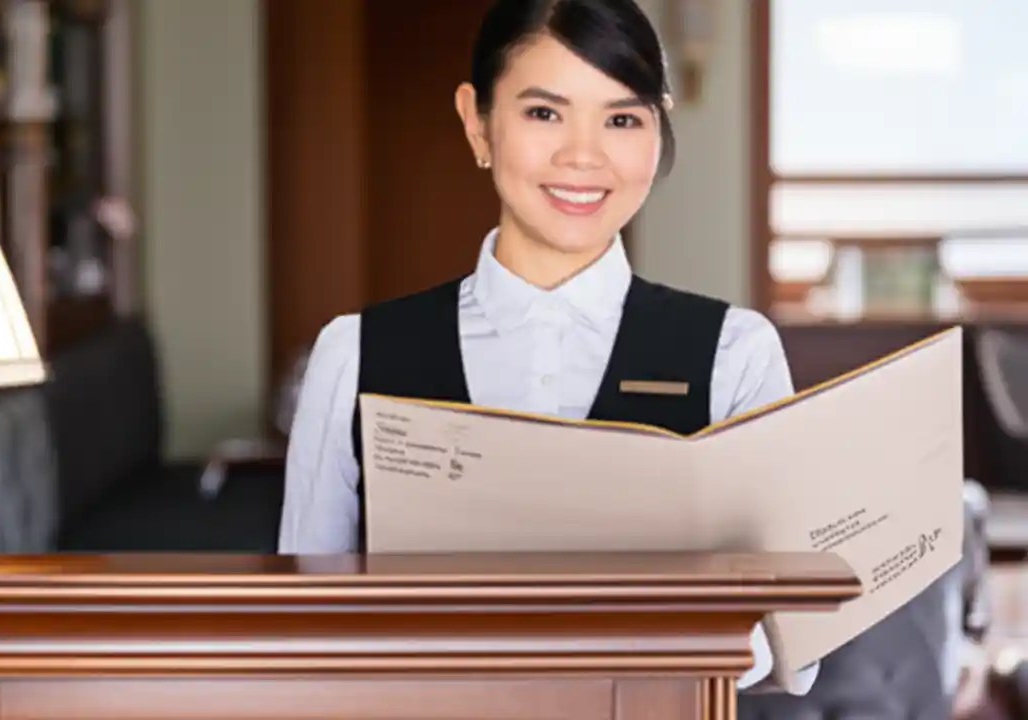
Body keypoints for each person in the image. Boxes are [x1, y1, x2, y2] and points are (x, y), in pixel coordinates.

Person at [278, 0, 819, 695]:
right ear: (477, 120)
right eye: (544, 113)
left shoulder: (735, 356)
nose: (582, 156)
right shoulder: (354, 353)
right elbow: (296, 632)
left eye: (621, 119)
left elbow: (797, 655)